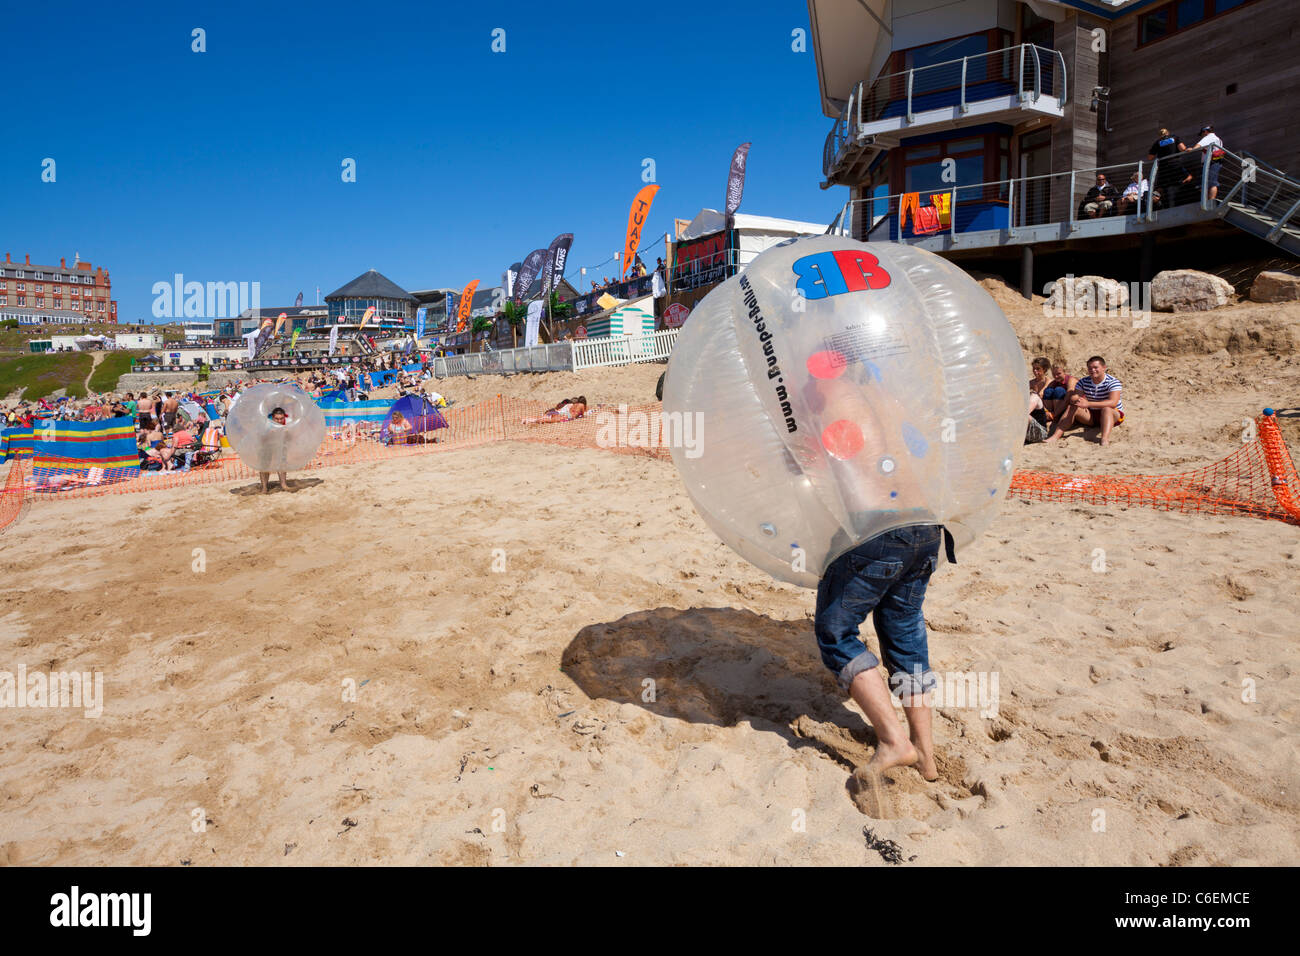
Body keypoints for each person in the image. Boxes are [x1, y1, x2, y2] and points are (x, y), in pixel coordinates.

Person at [815, 524, 948, 782]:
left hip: (875, 529)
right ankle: (924, 754)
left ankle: (893, 740)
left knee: (837, 634)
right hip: (927, 530)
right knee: (905, 629)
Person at [1045, 355, 1124, 446]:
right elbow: (1075, 396)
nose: (1092, 370)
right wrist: (1075, 399)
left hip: (1113, 414)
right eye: (1090, 368)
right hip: (1091, 414)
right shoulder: (1083, 381)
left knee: (1106, 409)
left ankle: (1104, 438)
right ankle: (1055, 436)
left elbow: (1113, 403)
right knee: (1072, 407)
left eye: (1095, 367)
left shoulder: (1113, 382)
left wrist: (1088, 403)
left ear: (1104, 368)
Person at [258, 407, 295, 493]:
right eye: (276, 419)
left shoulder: (288, 422)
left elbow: (291, 437)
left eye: (281, 418)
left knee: (282, 464)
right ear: (272, 417)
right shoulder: (266, 423)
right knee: (264, 466)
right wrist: (269, 433)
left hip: (281, 445)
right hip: (266, 446)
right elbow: (260, 437)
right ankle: (264, 487)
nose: (279, 421)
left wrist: (287, 433)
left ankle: (284, 485)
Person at [1192, 124, 1225, 201]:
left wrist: (1192, 149)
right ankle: (1208, 200)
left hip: (1210, 162)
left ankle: (1210, 201)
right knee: (1207, 183)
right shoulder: (1217, 139)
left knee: (1211, 183)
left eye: (1202, 134)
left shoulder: (1209, 137)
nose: (1202, 136)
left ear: (1205, 131)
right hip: (1216, 161)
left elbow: (1198, 145)